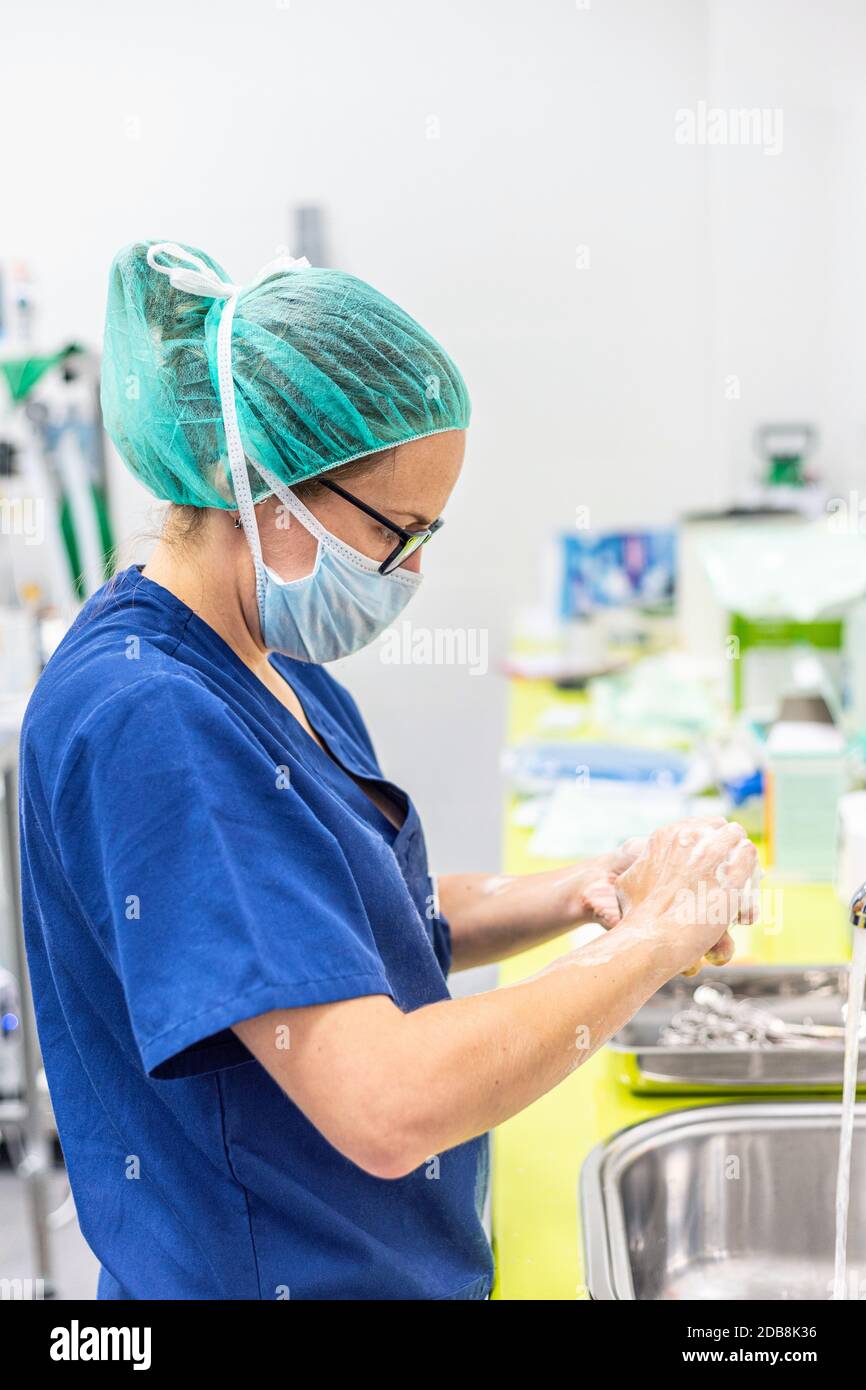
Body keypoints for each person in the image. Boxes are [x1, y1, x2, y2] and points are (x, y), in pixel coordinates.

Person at [18, 240, 757, 1300]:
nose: (412, 571)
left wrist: (585, 890)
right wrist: (653, 941)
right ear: (259, 485)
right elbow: (387, 1103)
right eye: (397, 532)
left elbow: (344, 924)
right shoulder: (151, 717)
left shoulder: (268, 662)